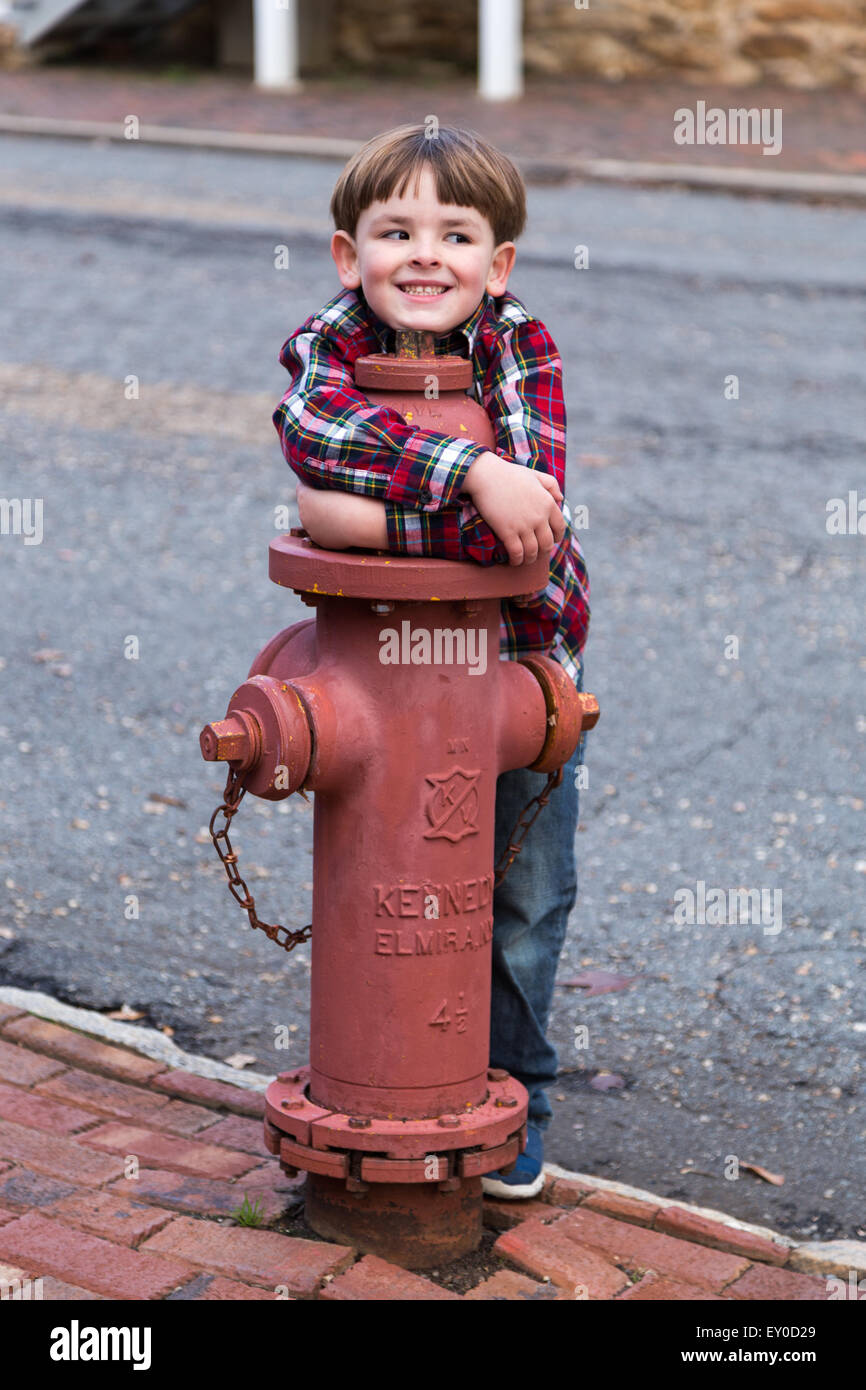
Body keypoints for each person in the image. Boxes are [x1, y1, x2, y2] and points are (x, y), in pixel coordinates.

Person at [272, 123, 591, 1198]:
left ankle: (521, 1098)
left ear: (494, 264)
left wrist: (353, 519)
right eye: (393, 230)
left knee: (524, 902)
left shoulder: (522, 345)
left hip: (517, 655)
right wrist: (466, 473)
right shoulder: (325, 345)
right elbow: (316, 432)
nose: (422, 254)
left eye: (454, 234)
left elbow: (526, 520)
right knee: (401, 898)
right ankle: (386, 1073)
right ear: (344, 253)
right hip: (397, 675)